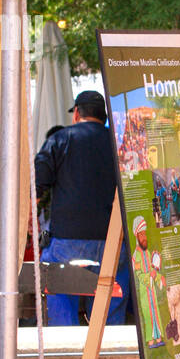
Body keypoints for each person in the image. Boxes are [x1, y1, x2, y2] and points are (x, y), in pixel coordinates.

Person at [35, 91, 129, 325]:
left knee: (59, 293)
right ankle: (109, 354)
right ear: (104, 116)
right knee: (110, 307)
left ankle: (66, 348)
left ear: (77, 113)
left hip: (67, 242)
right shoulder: (121, 143)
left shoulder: (60, 139)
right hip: (113, 242)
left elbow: (35, 186)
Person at [130, 215, 166, 348]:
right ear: (136, 236)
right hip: (145, 290)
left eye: (145, 234)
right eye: (141, 234)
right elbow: (139, 274)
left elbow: (153, 268)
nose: (144, 237)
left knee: (155, 312)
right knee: (147, 313)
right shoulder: (136, 256)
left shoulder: (148, 252)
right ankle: (150, 340)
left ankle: (158, 338)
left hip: (152, 291)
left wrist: (158, 278)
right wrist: (148, 278)